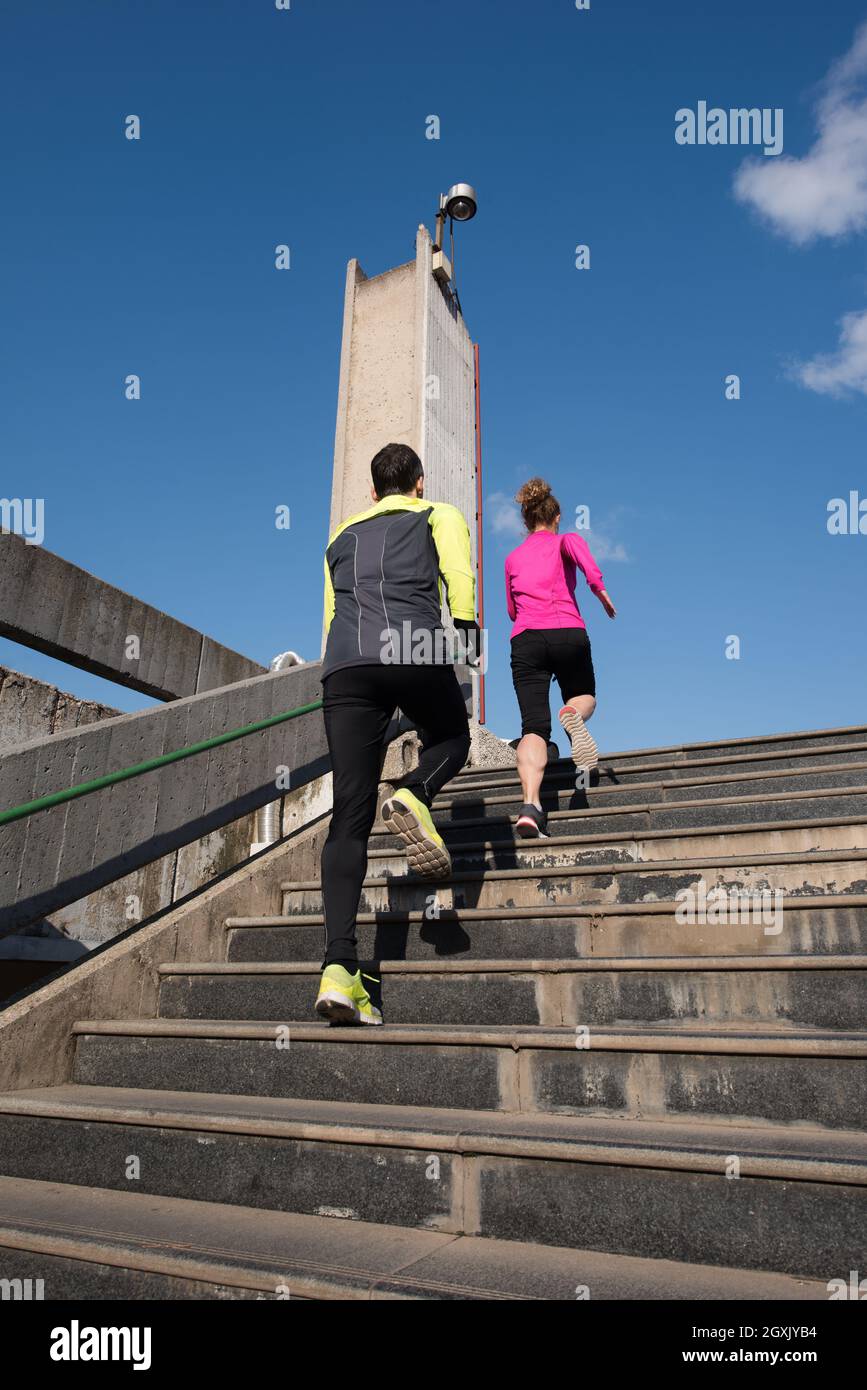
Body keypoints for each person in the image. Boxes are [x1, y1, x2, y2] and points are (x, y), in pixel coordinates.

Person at [315, 442, 478, 1024]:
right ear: (417, 482)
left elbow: (332, 612)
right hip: (413, 644)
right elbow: (459, 576)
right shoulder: (437, 513)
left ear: (371, 490)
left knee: (348, 815)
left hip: (345, 665)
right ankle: (413, 793)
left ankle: (340, 968)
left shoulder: (340, 534)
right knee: (451, 737)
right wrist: (467, 635)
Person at [505, 478, 616, 839]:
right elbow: (588, 567)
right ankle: (572, 715)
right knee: (583, 696)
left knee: (534, 727)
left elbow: (511, 610)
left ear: (526, 521)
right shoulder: (567, 540)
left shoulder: (512, 558)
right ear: (556, 517)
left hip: (527, 640)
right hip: (567, 630)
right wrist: (601, 593)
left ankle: (530, 806)